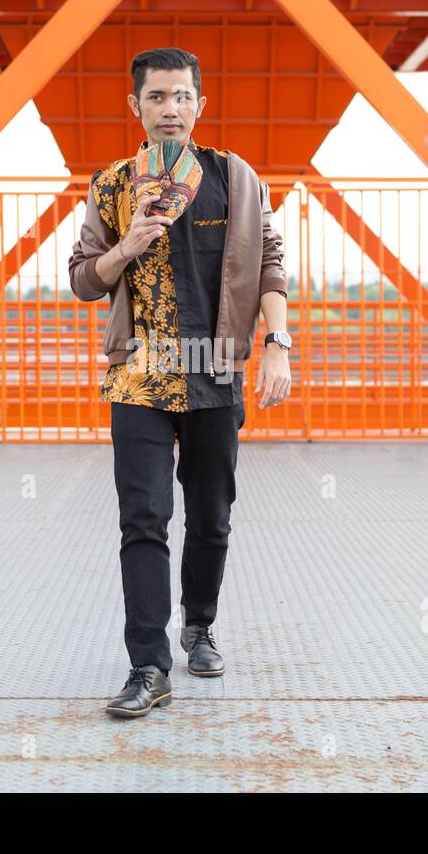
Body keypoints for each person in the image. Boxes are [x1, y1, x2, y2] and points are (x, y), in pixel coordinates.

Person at [68, 46, 294, 718]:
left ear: (200, 104)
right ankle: (148, 667)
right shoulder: (111, 184)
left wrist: (277, 342)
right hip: (138, 374)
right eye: (157, 97)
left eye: (182, 96)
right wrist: (126, 246)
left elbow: (272, 262)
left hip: (215, 371)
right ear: (135, 107)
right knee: (143, 520)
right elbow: (83, 279)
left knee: (213, 518)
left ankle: (198, 623)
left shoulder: (235, 177)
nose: (171, 108)